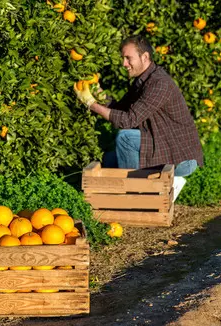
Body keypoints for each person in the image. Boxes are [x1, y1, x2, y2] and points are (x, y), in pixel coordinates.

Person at [74, 35, 203, 201]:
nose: (124, 64)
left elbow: (127, 120)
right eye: (123, 58)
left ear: (145, 57)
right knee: (110, 159)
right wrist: (97, 92)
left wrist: (91, 104)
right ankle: (121, 196)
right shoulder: (142, 81)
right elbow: (119, 109)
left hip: (181, 158)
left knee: (125, 138)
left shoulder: (159, 84)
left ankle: (137, 197)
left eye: (128, 58)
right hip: (161, 144)